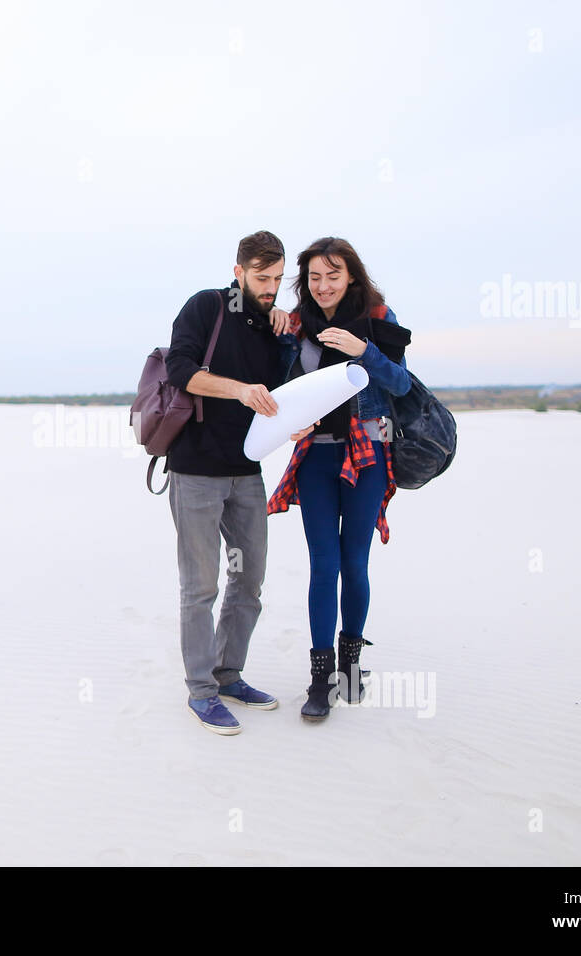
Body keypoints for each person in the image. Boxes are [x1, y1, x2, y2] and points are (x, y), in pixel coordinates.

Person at [164, 230, 314, 735]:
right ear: (238, 272)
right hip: (195, 469)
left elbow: (283, 395)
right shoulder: (206, 307)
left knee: (248, 580)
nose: (271, 287)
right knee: (200, 587)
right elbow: (180, 370)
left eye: (277, 278)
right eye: (261, 277)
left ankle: (229, 675)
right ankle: (202, 692)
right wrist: (239, 391)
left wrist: (295, 417)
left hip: (247, 471)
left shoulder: (273, 326)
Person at [266, 237, 412, 722]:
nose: (324, 285)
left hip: (368, 455)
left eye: (334, 275)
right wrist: (291, 420)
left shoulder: (378, 317)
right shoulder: (296, 326)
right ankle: (320, 678)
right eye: (314, 277)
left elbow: (401, 384)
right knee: (323, 565)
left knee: (355, 562)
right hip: (316, 459)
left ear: (350, 276)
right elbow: (283, 389)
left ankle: (351, 664)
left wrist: (364, 349)